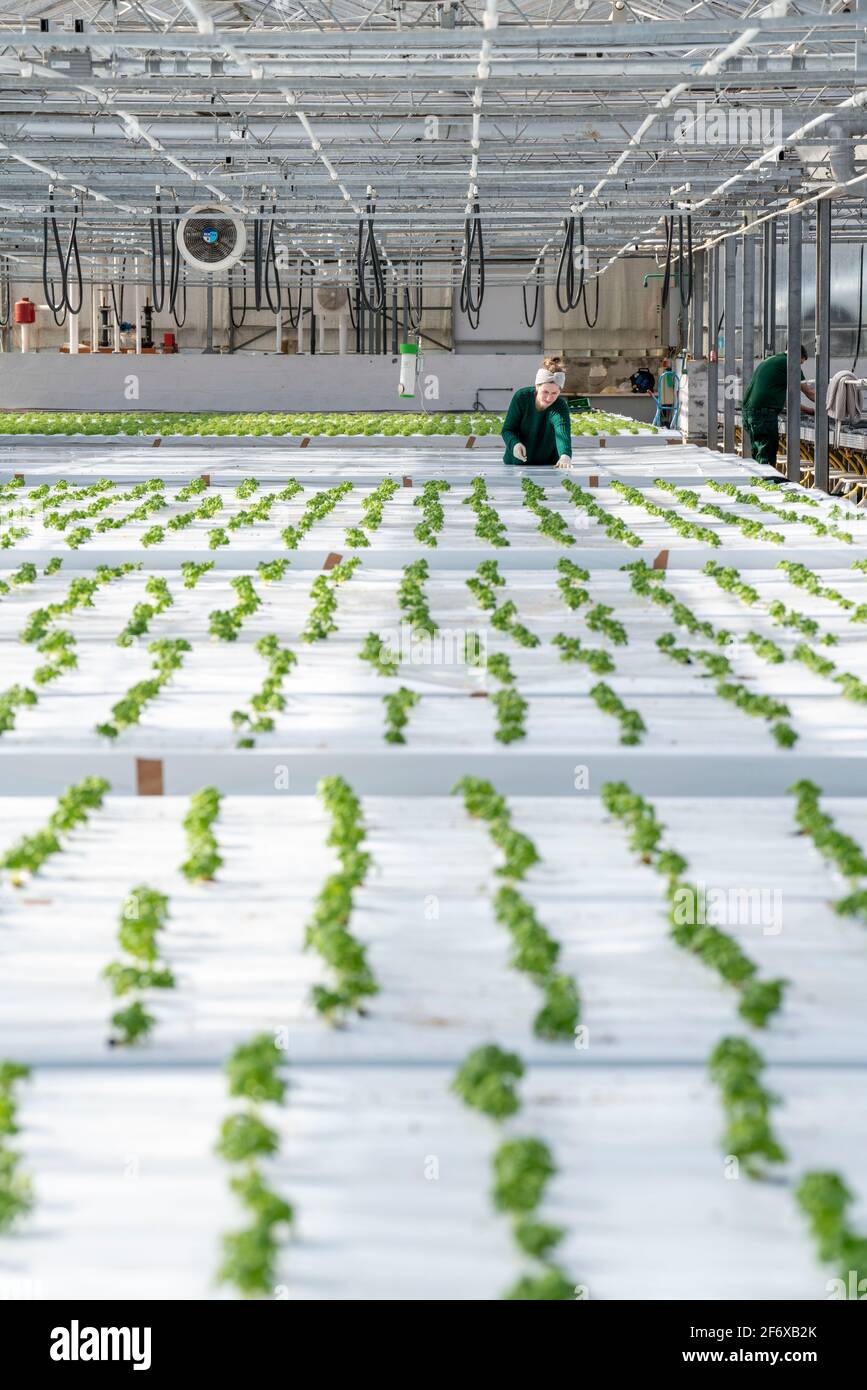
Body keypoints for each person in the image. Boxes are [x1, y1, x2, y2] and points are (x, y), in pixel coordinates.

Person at [741, 345, 816, 469]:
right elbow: (809, 393)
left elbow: (784, 400)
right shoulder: (789, 364)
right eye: (801, 362)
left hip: (750, 412)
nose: (800, 366)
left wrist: (808, 410)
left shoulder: (772, 360)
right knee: (767, 452)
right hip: (763, 415)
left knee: (758, 451)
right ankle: (768, 484)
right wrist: (827, 407)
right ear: (798, 357)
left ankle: (760, 482)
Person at [501, 356, 573, 468]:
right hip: (517, 464)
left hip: (548, 465)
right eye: (545, 392)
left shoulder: (560, 406)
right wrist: (514, 444)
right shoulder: (522, 397)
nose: (549, 398)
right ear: (537, 386)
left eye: (554, 393)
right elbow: (508, 429)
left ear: (560, 391)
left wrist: (565, 455)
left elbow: (562, 434)